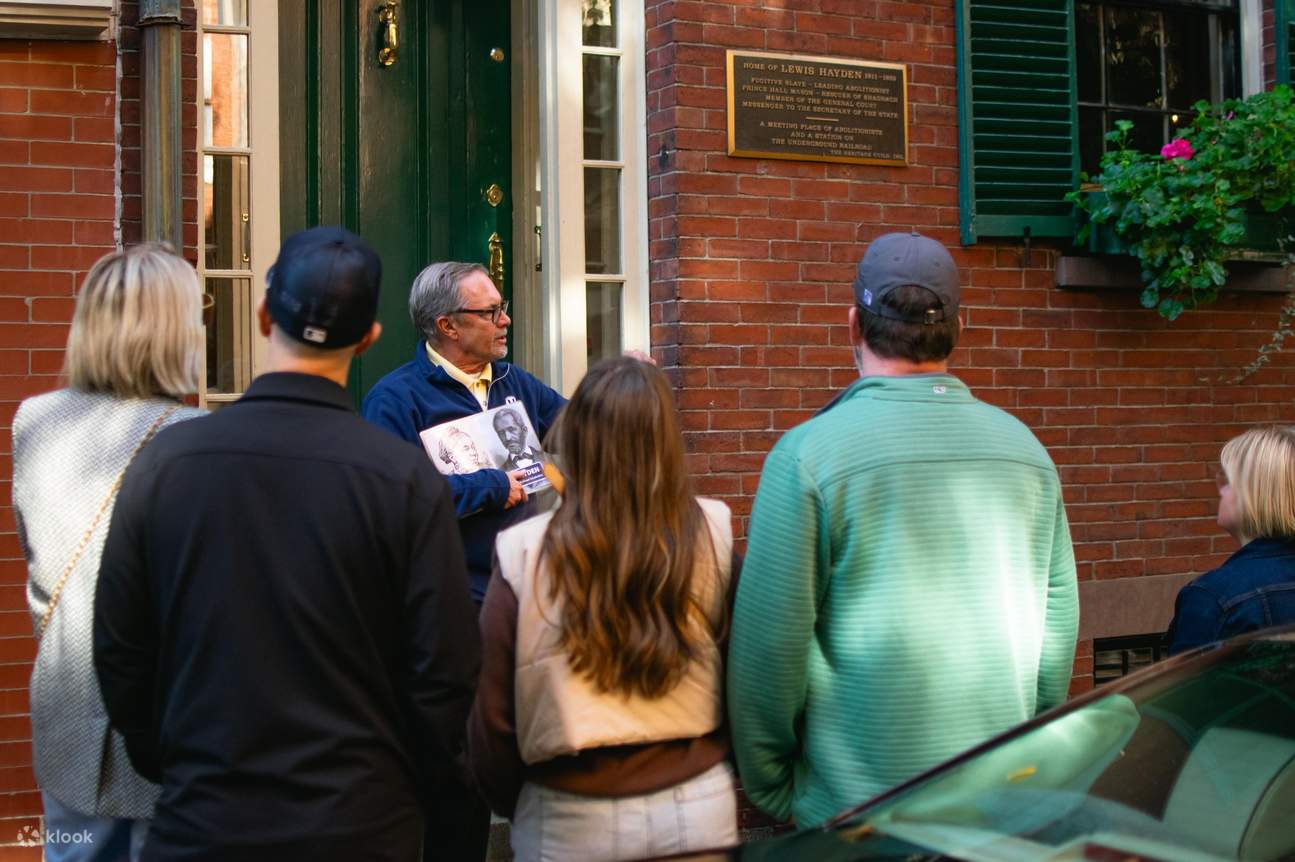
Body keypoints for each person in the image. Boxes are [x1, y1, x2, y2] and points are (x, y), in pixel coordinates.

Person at [93, 226, 479, 862]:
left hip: (204, 819)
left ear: (264, 311)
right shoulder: (402, 479)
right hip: (359, 824)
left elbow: (120, 646)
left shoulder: (168, 463)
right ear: (369, 338)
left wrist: (171, 757)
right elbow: (444, 667)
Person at [728, 231, 1080, 828]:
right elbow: (1057, 632)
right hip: (995, 810)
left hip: (859, 818)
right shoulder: (1027, 452)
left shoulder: (807, 457)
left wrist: (777, 788)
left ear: (851, 326)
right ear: (957, 331)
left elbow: (770, 650)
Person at [468, 356, 737, 862]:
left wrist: (525, 803)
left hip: (570, 809)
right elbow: (747, 678)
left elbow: (493, 719)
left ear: (580, 439)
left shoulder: (524, 551)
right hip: (694, 801)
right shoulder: (713, 533)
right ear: (665, 439)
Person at [12, 244, 206, 862]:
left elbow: (34, 547)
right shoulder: (194, 437)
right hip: (163, 710)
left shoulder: (34, 420)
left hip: (67, 693)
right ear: (173, 330)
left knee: (71, 851)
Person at [361, 261, 566, 603]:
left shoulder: (514, 381)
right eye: (490, 312)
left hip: (527, 584)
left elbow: (582, 430)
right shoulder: (395, 400)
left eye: (503, 308)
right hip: (447, 597)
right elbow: (391, 502)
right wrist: (487, 487)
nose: (505, 321)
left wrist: (621, 390)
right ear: (448, 326)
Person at [1166, 426, 1295, 654]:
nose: (1221, 492)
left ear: (1253, 493)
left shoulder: (1214, 597)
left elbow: (1191, 689)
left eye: (1227, 481)